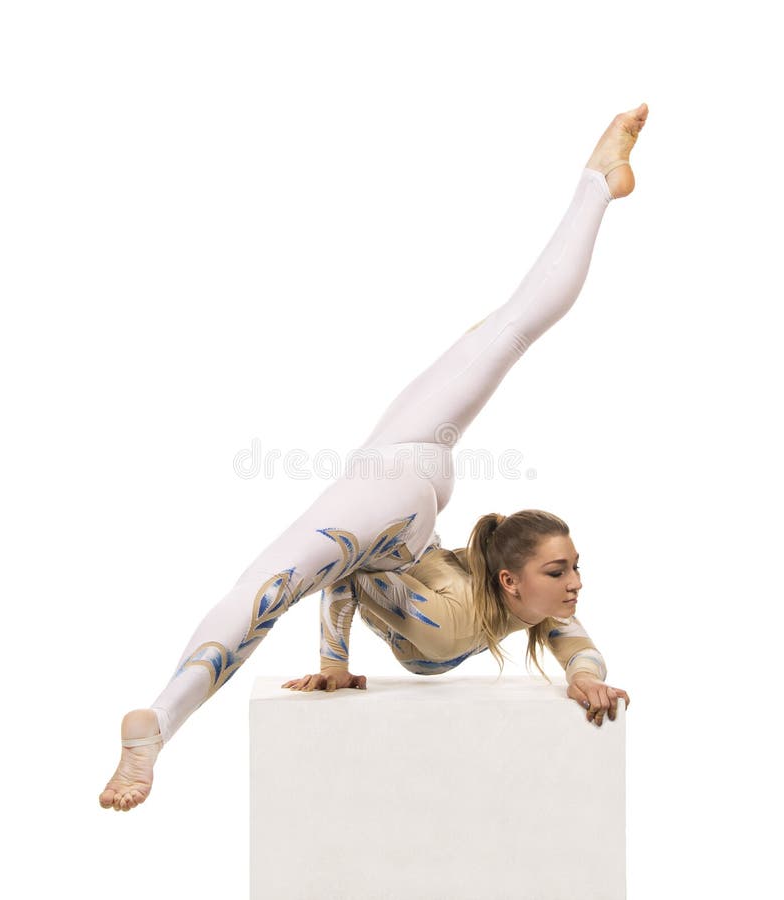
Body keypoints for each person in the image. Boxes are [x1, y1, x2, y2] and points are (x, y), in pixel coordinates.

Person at [100, 103, 647, 812]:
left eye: (569, 569)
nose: (574, 585)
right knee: (504, 329)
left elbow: (576, 650)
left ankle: (597, 181)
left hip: (398, 488)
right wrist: (333, 663)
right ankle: (160, 723)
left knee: (509, 328)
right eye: (560, 569)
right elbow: (353, 575)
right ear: (511, 580)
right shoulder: (482, 608)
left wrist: (586, 679)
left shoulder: (517, 610)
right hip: (397, 488)